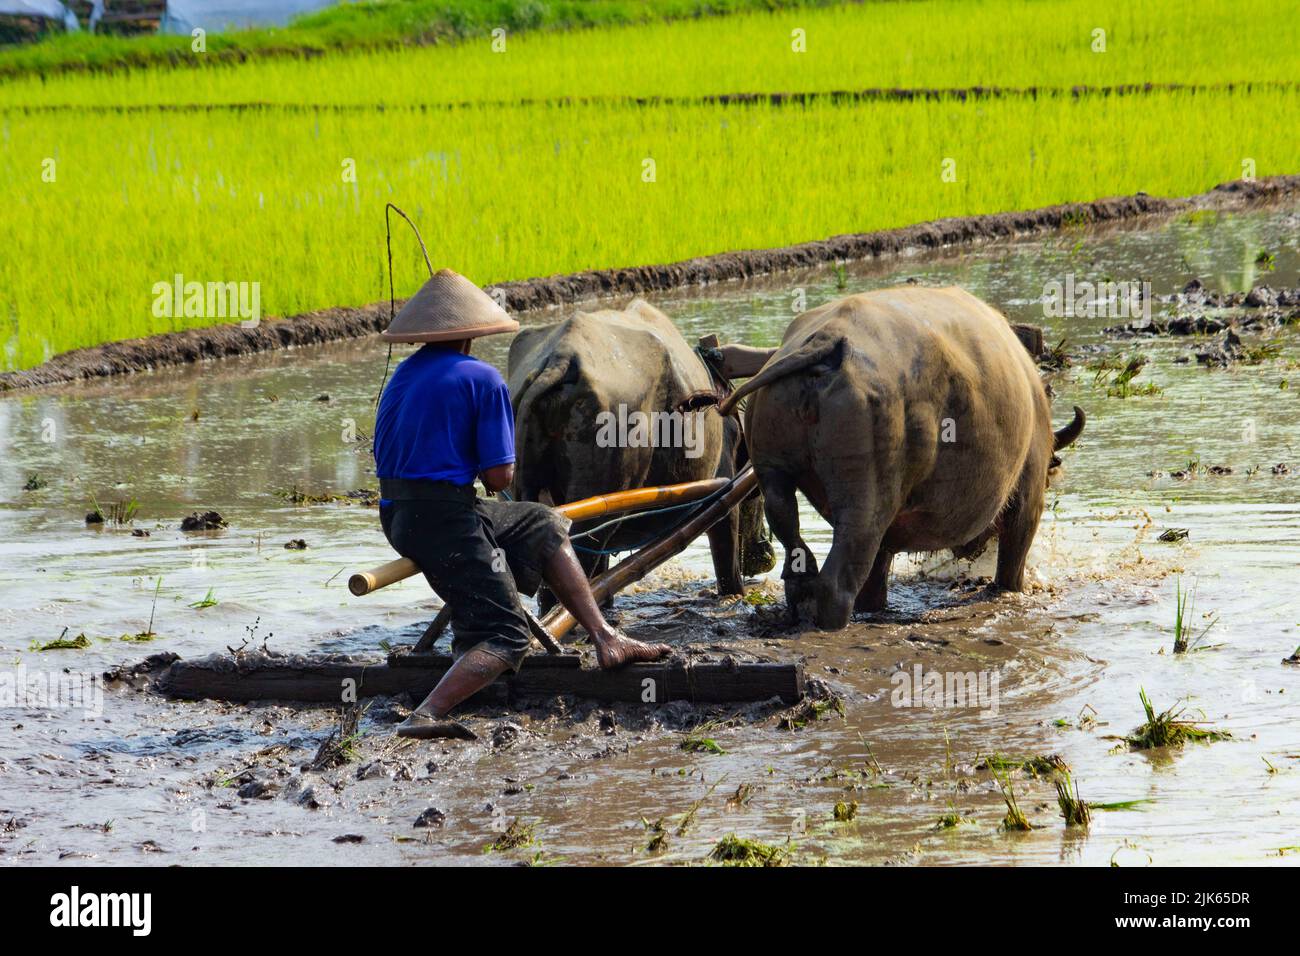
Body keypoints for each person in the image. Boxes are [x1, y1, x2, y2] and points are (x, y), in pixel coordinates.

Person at [373, 269, 671, 739]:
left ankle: (605, 637)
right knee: (507, 635)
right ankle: (426, 714)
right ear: (471, 333)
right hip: (445, 518)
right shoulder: (483, 379)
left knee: (542, 522)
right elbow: (499, 477)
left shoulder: (403, 375)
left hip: (400, 515)